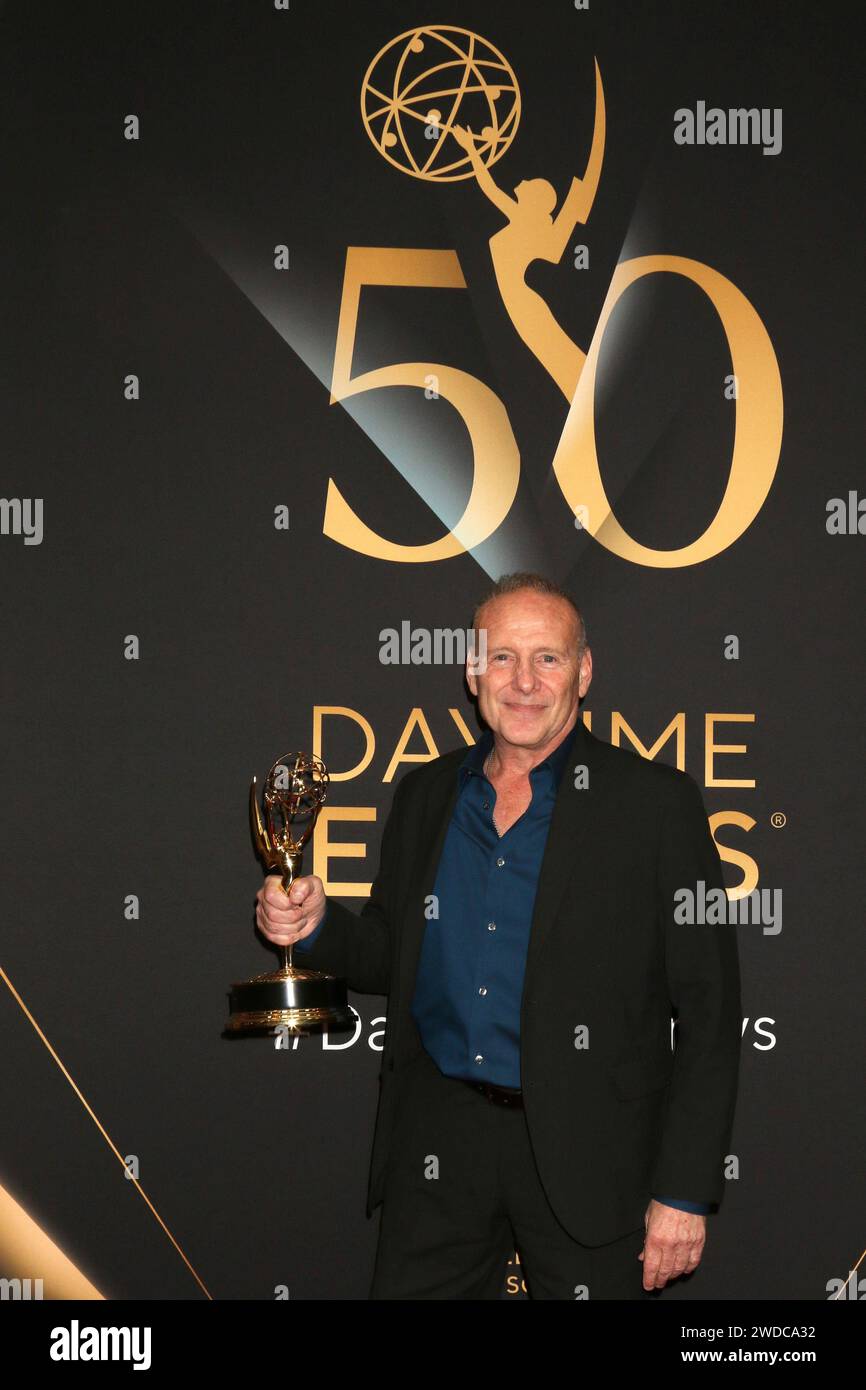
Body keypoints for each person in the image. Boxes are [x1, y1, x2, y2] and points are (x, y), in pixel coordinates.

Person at [256, 572, 741, 1299]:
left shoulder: (655, 805)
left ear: (583, 673)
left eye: (547, 657)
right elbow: (394, 955)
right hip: (439, 1140)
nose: (524, 681)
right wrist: (317, 925)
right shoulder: (426, 794)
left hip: (592, 1149)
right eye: (502, 657)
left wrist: (685, 1191)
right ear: (472, 670)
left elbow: (709, 1011)